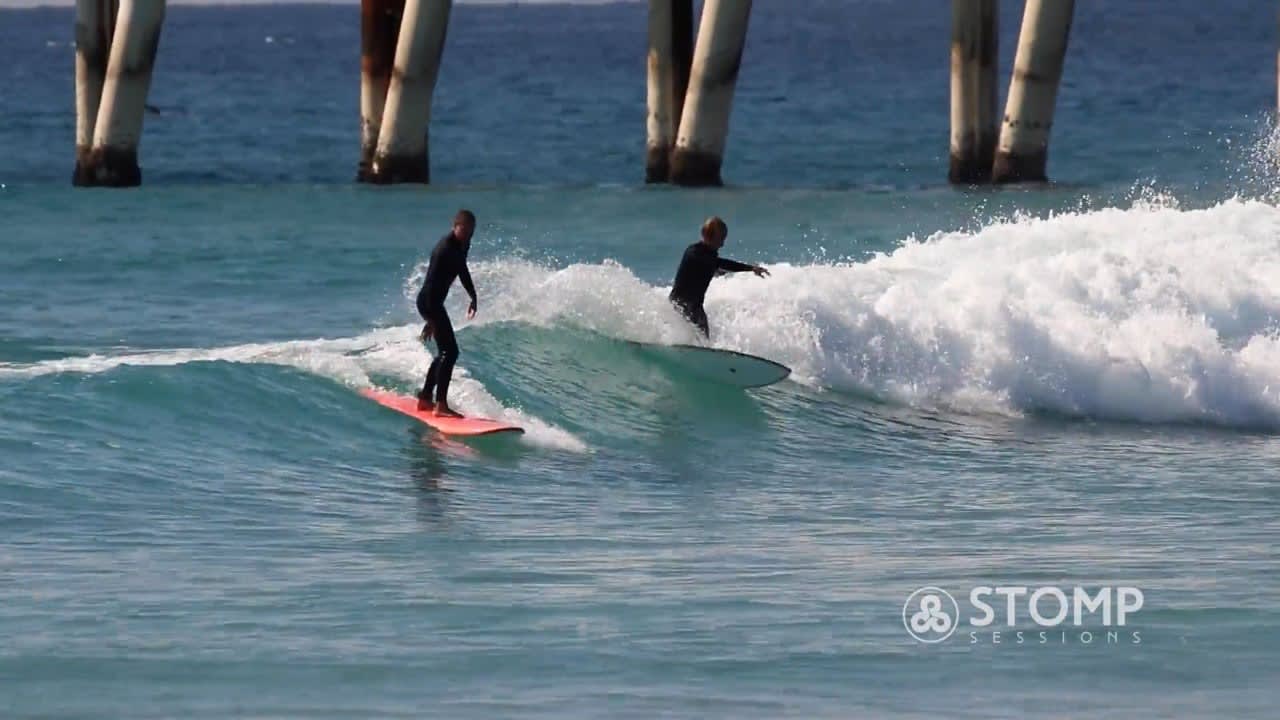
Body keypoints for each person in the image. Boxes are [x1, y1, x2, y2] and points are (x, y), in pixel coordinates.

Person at [416, 210, 479, 416]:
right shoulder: (447, 248)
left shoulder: (463, 244)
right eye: (464, 231)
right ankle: (440, 405)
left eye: (470, 232)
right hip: (429, 301)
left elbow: (456, 273)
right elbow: (459, 273)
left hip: (433, 303)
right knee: (450, 352)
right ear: (455, 226)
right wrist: (431, 318)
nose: (467, 235)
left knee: (445, 352)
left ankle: (425, 398)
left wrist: (431, 319)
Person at [668, 216, 768, 338]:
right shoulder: (695, 253)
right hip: (683, 304)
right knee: (701, 339)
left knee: (701, 339)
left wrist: (715, 270)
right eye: (721, 239)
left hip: (689, 305)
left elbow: (711, 266)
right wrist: (750, 268)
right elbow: (720, 263)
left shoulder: (705, 254)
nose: (722, 244)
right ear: (709, 237)